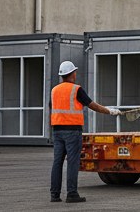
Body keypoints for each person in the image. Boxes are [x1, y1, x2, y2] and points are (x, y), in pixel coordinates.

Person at [50, 60, 119, 203]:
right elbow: (92, 104)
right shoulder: (76, 89)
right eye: (74, 71)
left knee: (57, 162)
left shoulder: (54, 90)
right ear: (71, 74)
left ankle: (54, 195)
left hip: (57, 131)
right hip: (72, 131)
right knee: (73, 162)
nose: (76, 74)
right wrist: (109, 111)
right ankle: (72, 193)